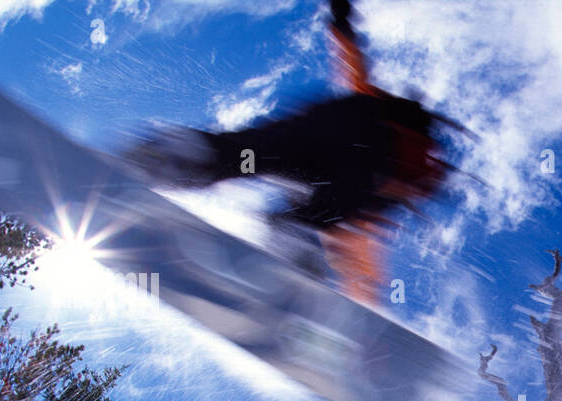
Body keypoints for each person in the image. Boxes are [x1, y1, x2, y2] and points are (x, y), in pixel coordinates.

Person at [123, 0, 454, 303]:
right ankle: (294, 234)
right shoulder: (384, 184)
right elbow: (359, 240)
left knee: (250, 155)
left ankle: (183, 155)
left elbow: (353, 68)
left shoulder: (379, 106)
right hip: (355, 150)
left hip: (328, 124)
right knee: (325, 206)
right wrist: (365, 299)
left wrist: (340, 21)